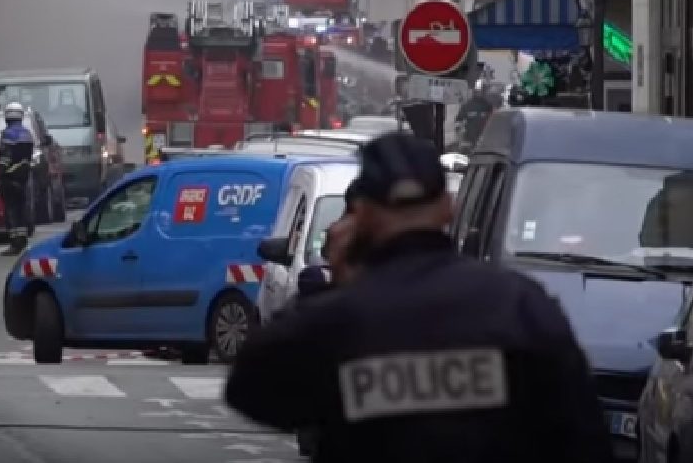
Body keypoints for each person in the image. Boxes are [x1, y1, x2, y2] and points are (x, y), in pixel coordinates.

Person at [224, 132, 613, 463]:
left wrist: (335, 289)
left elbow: (251, 388)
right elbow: (584, 437)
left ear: (362, 215)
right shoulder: (518, 305)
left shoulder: (340, 320)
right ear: (449, 208)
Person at [0, 102, 34, 254]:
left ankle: (14, 243)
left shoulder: (7, 134)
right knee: (21, 209)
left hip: (10, 177)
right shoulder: (27, 134)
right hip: (23, 177)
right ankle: (22, 239)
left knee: (11, 210)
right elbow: (28, 156)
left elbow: (5, 157)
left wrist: (0, 173)